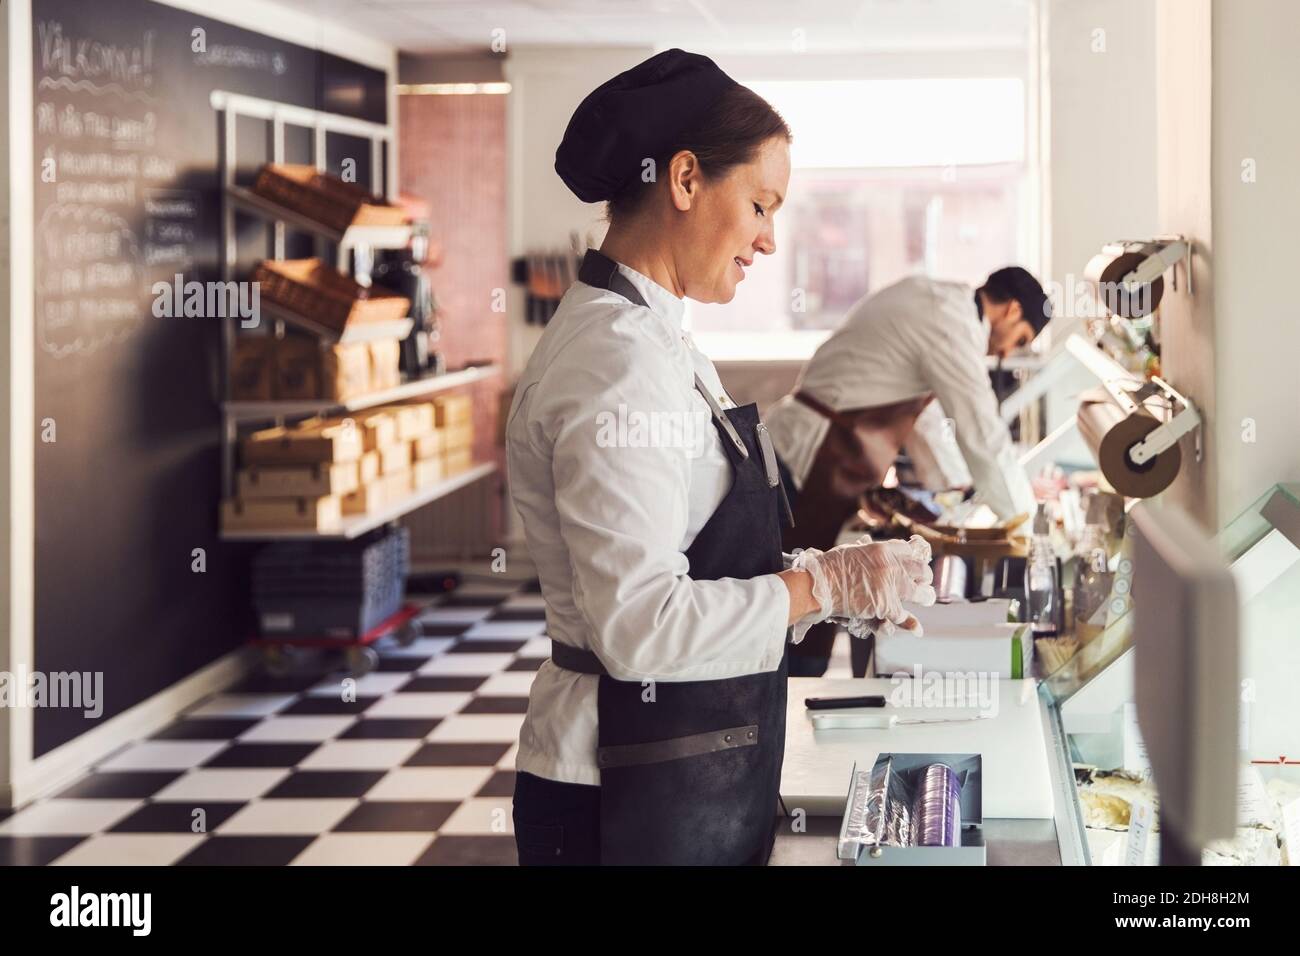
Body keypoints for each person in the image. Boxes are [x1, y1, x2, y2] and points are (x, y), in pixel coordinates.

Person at [505, 49, 935, 866]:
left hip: (675, 763)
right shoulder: (615, 365)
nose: (770, 240)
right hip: (616, 791)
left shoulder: (657, 337)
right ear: (686, 179)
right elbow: (639, 625)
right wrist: (818, 586)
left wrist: (832, 582)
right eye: (761, 204)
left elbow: (693, 552)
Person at [766, 269, 1051, 677]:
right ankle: (781, 713)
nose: (1007, 353)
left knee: (808, 605)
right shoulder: (948, 323)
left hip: (815, 459)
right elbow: (982, 433)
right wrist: (1026, 524)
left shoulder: (938, 302)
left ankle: (789, 702)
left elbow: (927, 422)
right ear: (1012, 309)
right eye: (1020, 339)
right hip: (806, 462)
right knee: (792, 612)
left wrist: (956, 493)